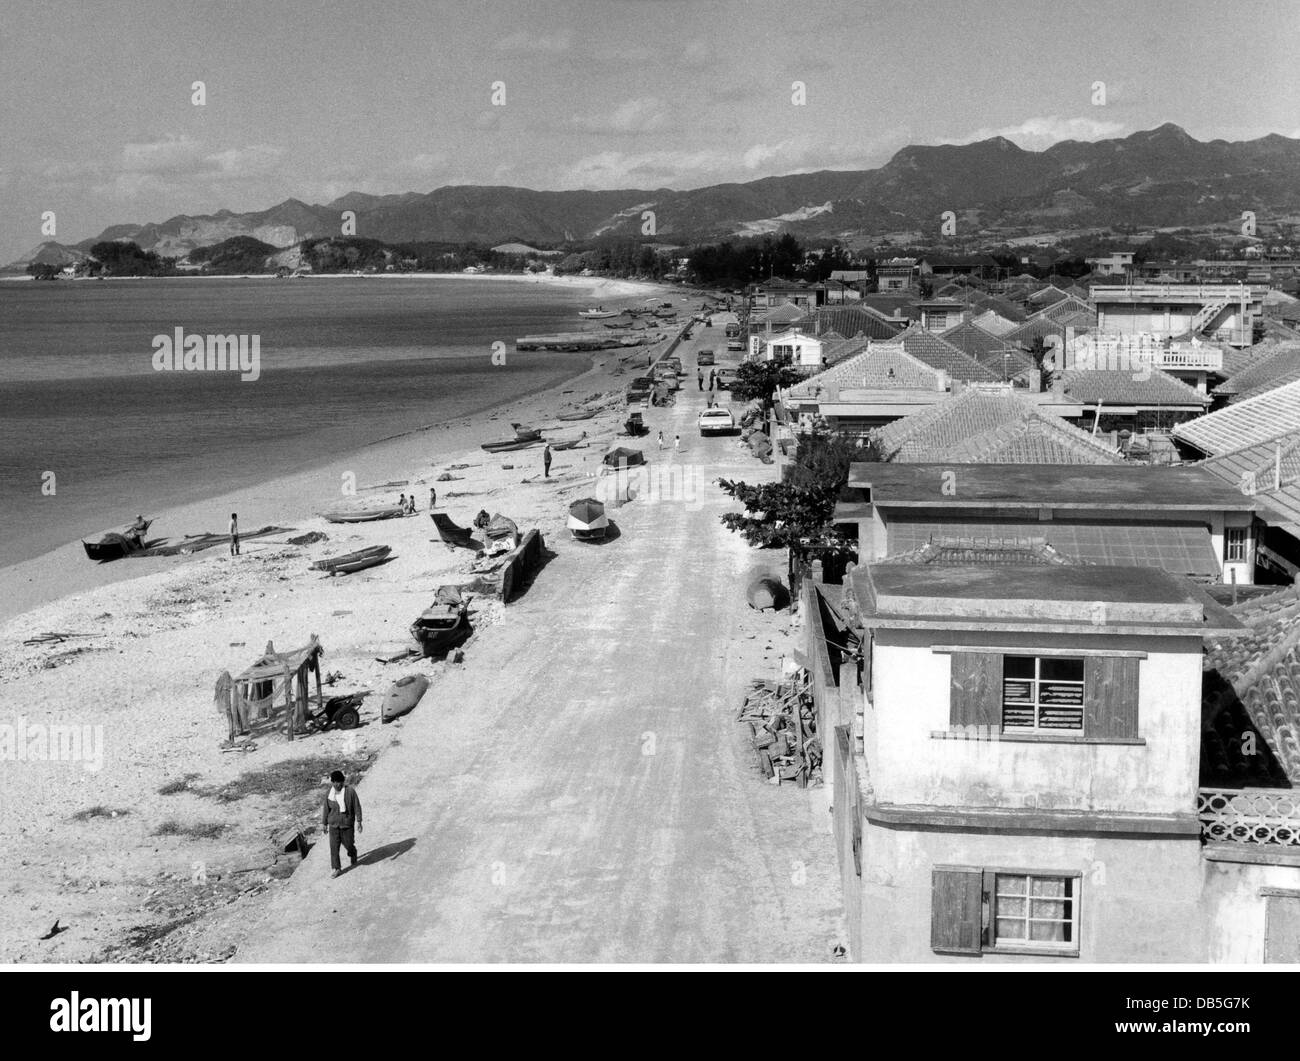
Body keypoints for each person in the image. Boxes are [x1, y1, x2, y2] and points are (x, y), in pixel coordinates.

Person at [322, 770, 363, 878]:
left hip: (347, 825)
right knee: (334, 848)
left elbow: (357, 806)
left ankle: (352, 852)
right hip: (334, 826)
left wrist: (359, 821)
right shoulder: (329, 794)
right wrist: (324, 823)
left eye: (340, 782)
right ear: (332, 782)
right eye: (335, 782)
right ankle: (336, 868)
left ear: (343, 782)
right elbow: (326, 809)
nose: (338, 784)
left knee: (348, 844)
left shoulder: (350, 792)